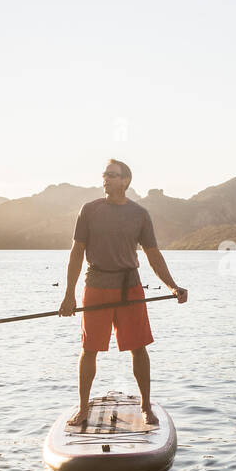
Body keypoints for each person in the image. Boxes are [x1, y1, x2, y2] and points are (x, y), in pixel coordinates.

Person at [58, 159, 187, 425]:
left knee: (138, 348)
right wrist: (69, 294)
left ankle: (146, 407)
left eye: (112, 175)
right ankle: (83, 409)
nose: (105, 179)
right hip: (96, 287)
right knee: (89, 348)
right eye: (104, 174)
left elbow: (154, 256)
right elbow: (76, 253)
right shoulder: (89, 210)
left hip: (130, 289)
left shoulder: (139, 214)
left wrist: (172, 286)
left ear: (126, 181)